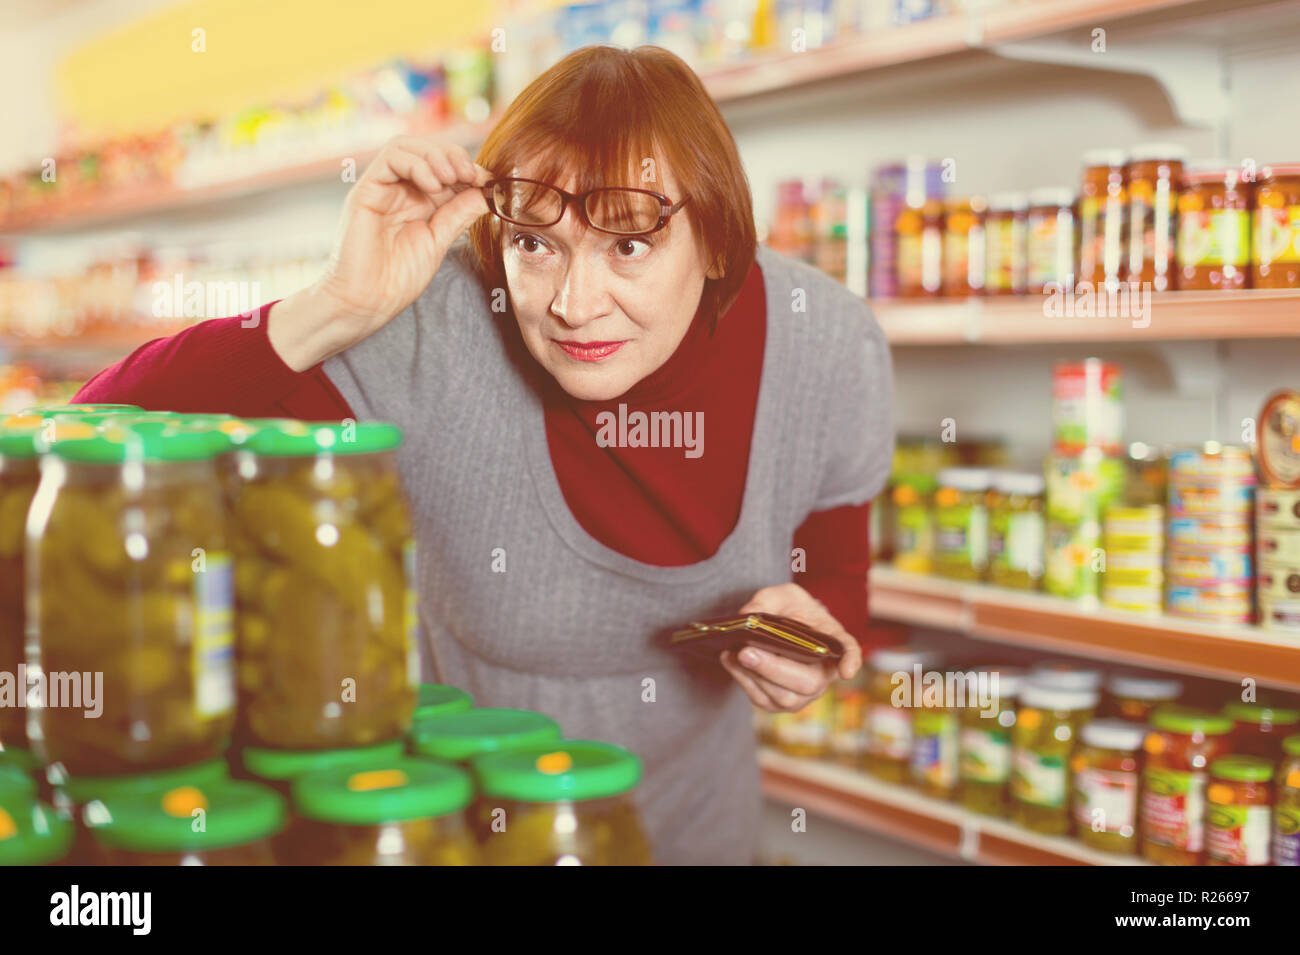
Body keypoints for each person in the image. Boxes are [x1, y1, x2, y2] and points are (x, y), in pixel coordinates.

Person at [75, 45, 895, 864]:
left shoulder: (821, 340)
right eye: (536, 244)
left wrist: (814, 643)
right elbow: (96, 431)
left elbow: (833, 577)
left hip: (703, 834)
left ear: (719, 243)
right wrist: (339, 303)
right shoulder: (439, 329)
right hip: (470, 836)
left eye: (628, 247)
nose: (573, 306)